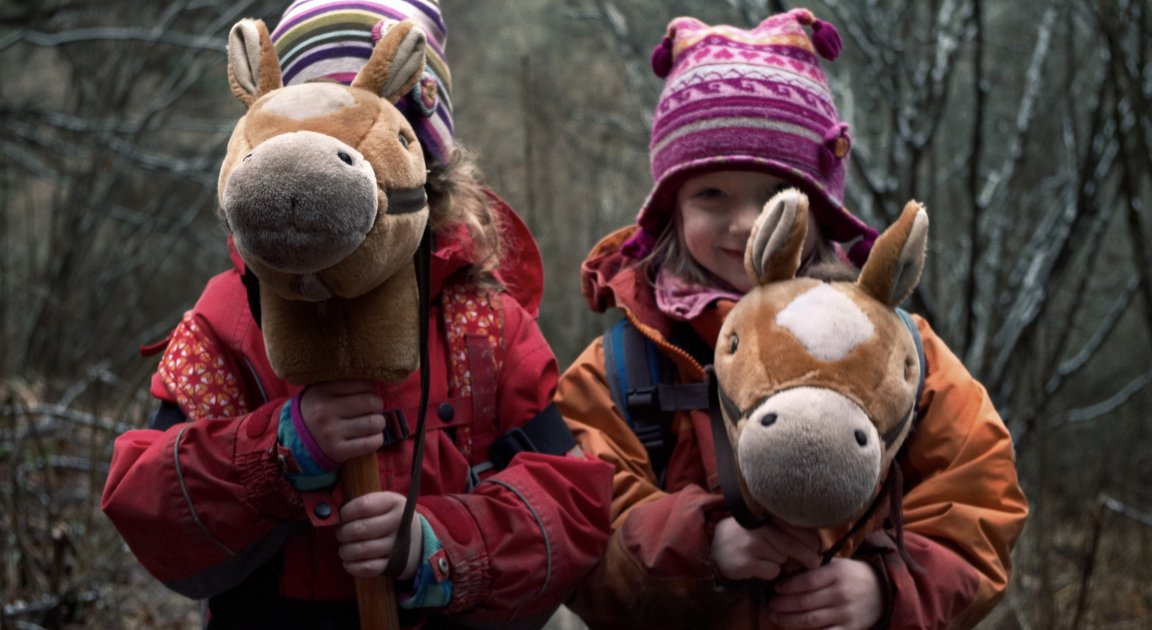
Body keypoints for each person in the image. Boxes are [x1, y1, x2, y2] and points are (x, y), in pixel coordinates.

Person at [101, 1, 613, 628]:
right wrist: (280, 451)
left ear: (425, 161)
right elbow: (145, 502)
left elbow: (574, 504)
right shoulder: (228, 322)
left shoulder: (481, 323)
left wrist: (442, 545)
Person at [555, 8, 1028, 630]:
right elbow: (579, 530)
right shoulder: (622, 366)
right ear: (669, 208)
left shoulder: (892, 347)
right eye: (710, 195)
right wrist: (703, 547)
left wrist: (887, 589)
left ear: (823, 207)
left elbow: (979, 496)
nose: (745, 224)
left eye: (773, 196)